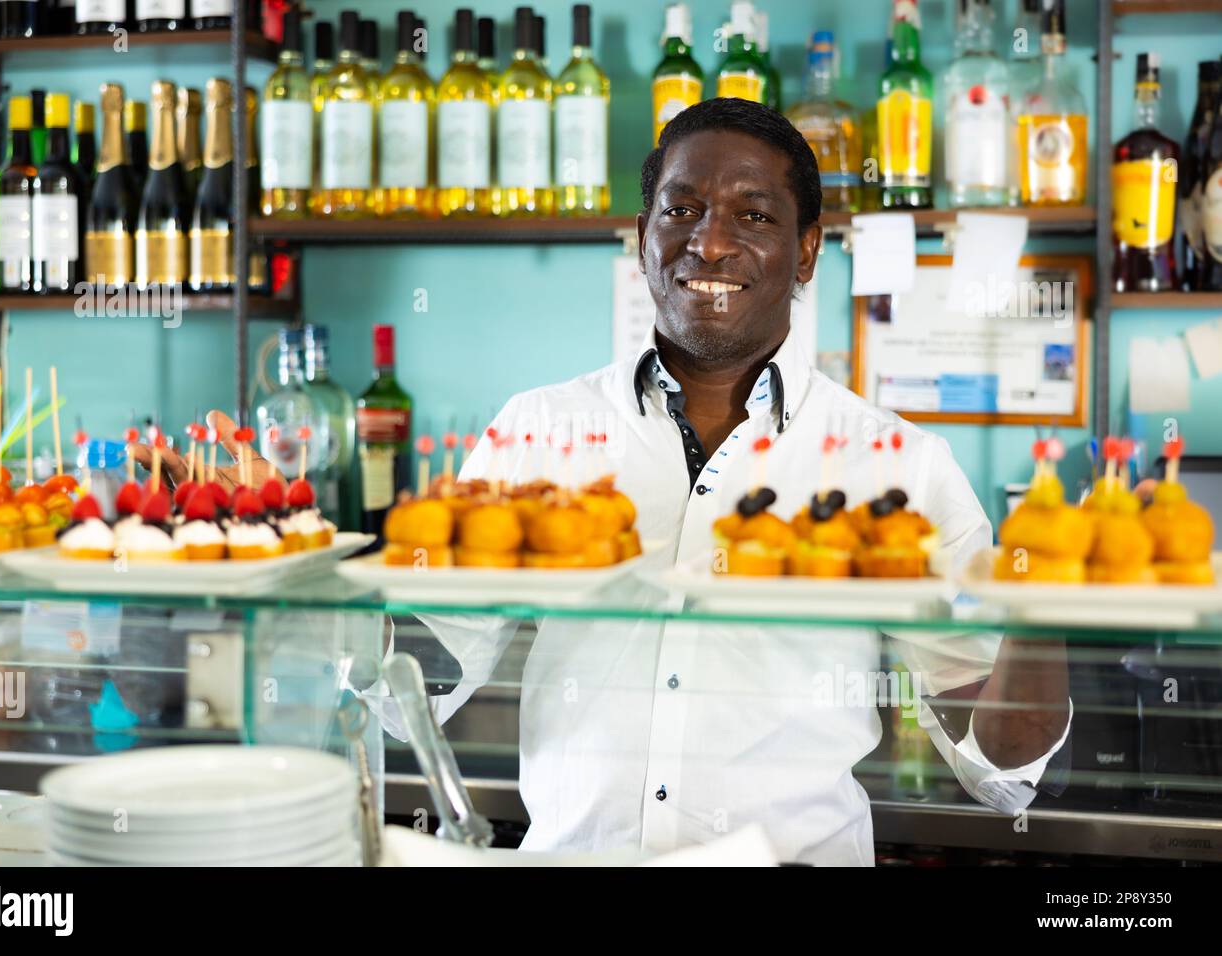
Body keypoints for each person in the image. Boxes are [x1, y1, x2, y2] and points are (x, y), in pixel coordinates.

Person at [135, 99, 1071, 864]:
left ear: (810, 250)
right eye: (681, 208)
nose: (709, 243)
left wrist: (1048, 595)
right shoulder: (539, 430)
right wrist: (291, 538)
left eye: (754, 214)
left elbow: (998, 758)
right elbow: (417, 670)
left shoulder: (897, 464)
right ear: (641, 234)